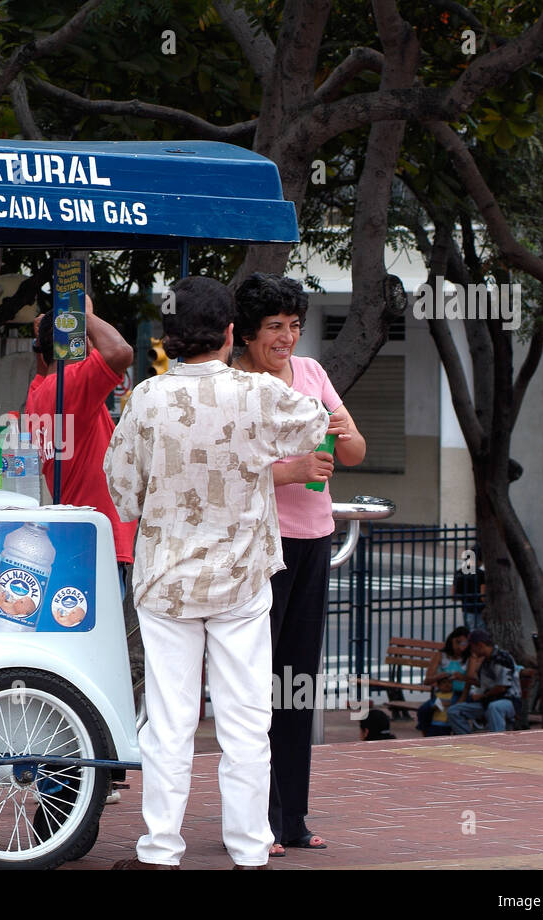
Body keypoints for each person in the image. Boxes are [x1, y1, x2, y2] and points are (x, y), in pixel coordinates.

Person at [104, 275, 329, 870]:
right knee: (246, 721)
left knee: (169, 722)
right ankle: (250, 848)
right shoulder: (255, 393)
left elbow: (123, 493)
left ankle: (160, 848)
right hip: (242, 580)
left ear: (168, 338)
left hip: (166, 580)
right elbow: (314, 421)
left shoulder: (145, 399)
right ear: (231, 333)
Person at [229, 272, 365, 857]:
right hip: (262, 547)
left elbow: (355, 452)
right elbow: (225, 470)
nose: (286, 338)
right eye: (274, 328)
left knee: (296, 684)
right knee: (255, 685)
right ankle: (257, 818)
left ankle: (293, 819)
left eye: (293, 326)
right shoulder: (234, 383)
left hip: (313, 539)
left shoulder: (311, 374)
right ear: (247, 334)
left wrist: (346, 430)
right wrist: (292, 467)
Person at [25, 295, 136, 588]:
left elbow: (45, 362)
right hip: (97, 545)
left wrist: (47, 334)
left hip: (82, 542)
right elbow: (120, 352)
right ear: (78, 343)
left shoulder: (39, 392)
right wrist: (81, 315)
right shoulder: (67, 386)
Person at [446, 629, 522, 734]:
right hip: (488, 701)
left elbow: (502, 687)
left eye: (472, 647)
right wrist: (464, 678)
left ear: (480, 645)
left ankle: (498, 740)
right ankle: (468, 741)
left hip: (509, 701)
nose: (471, 651)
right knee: (454, 711)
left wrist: (482, 696)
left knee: (494, 708)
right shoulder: (486, 661)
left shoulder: (502, 658)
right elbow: (482, 683)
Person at [416, 627, 471, 735]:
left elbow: (470, 682)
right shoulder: (441, 655)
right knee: (424, 709)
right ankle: (426, 733)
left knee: (453, 710)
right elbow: (427, 680)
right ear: (451, 640)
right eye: (457, 642)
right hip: (441, 693)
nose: (460, 647)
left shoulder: (469, 658)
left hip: (459, 694)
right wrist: (440, 676)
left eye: (464, 643)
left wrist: (461, 699)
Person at [452, 548, 487, 631]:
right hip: (478, 611)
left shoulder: (459, 573)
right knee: (479, 637)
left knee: (469, 635)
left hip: (465, 609)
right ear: (479, 560)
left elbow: (454, 595)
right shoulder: (481, 574)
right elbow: (483, 597)